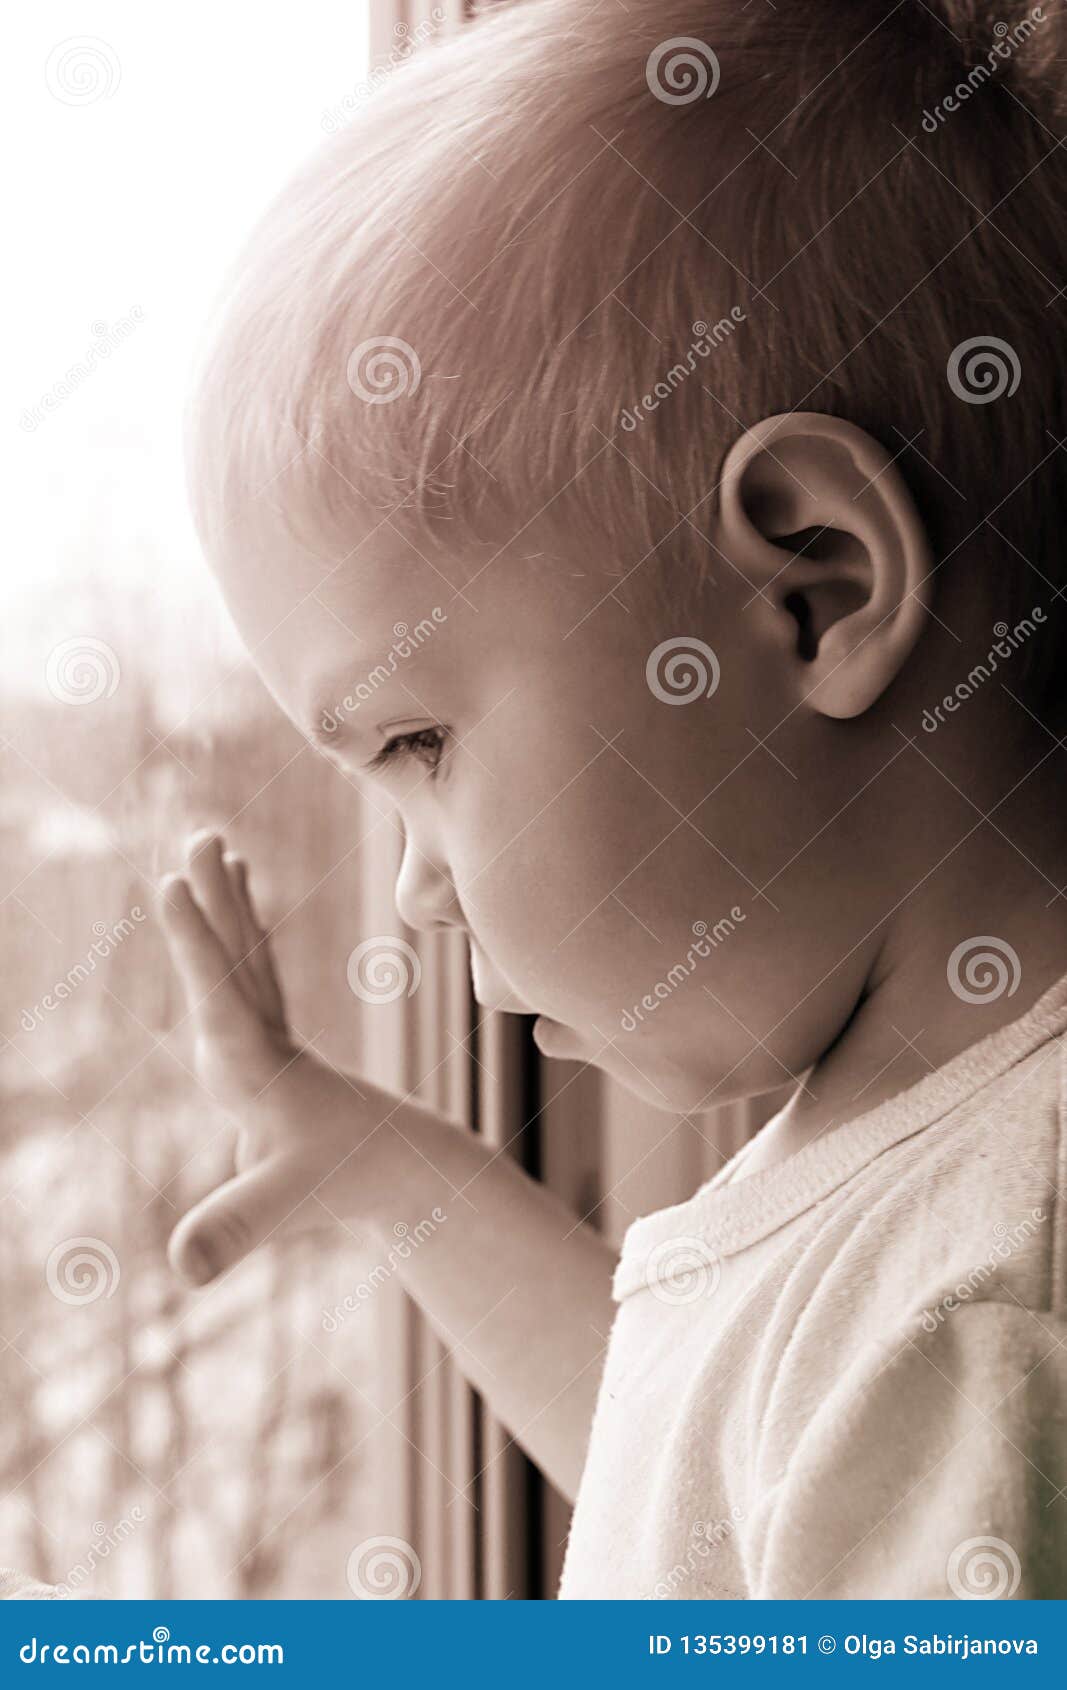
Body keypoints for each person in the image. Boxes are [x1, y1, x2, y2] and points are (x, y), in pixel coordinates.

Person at [157, 0, 1067, 1597]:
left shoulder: (976, 1320)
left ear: (813, 589)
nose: (413, 893)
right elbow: (706, 1494)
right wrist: (389, 1166)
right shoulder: (926, 1206)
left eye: (420, 747)